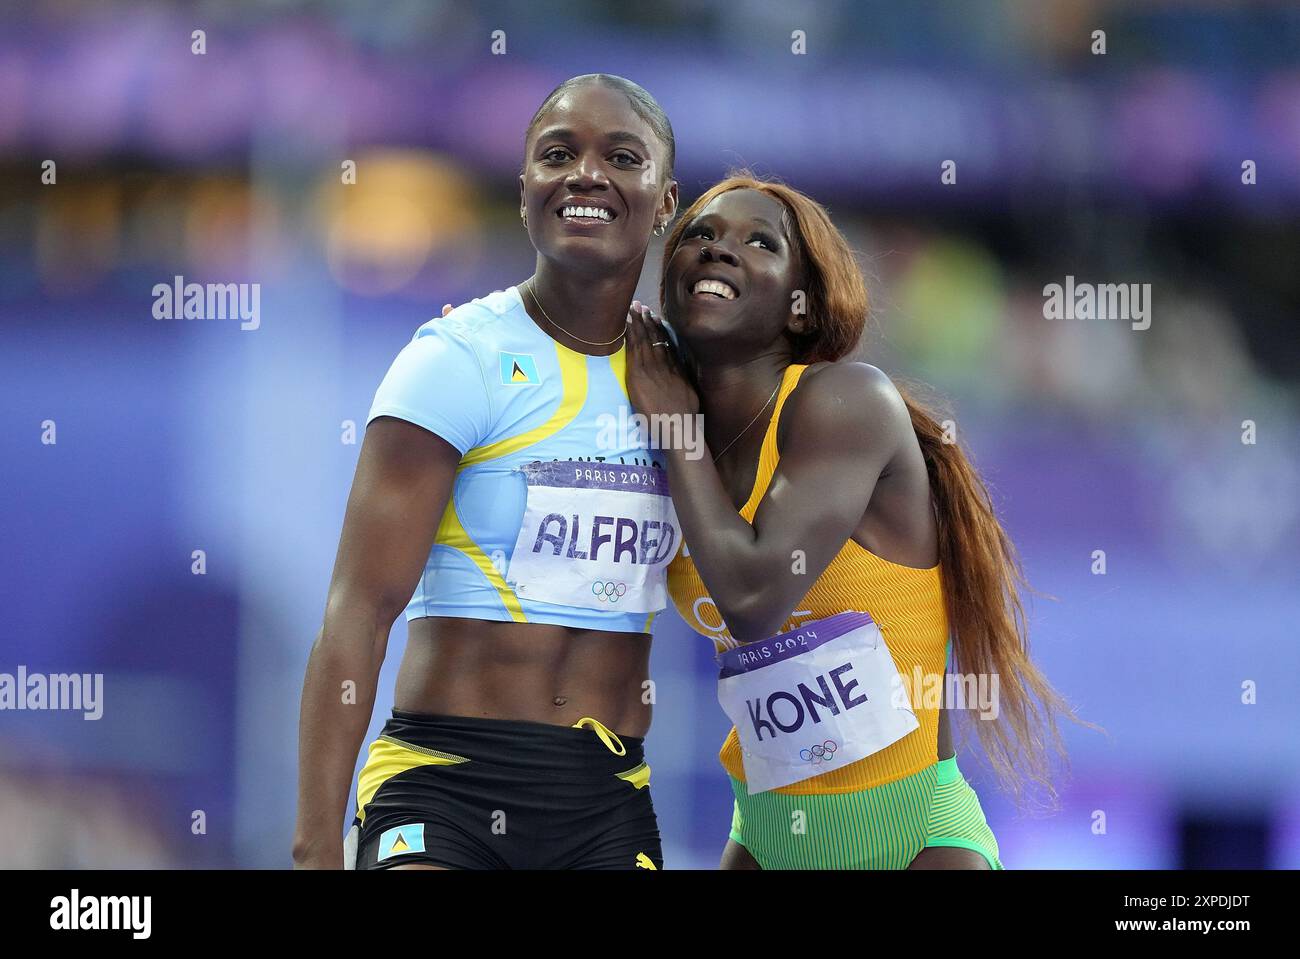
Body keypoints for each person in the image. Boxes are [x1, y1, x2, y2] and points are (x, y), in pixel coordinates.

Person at [626, 174, 1085, 869]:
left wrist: (679, 431)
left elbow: (751, 600)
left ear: (803, 309)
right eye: (700, 235)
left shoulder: (846, 401)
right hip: (765, 836)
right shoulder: (663, 431)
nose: (719, 249)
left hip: (914, 841)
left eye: (759, 242)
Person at [292, 74, 679, 870]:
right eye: (558, 154)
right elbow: (358, 613)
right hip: (445, 784)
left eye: (622, 156)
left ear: (665, 200)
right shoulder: (454, 360)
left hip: (605, 802)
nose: (586, 174)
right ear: (526, 188)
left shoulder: (690, 382)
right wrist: (313, 847)